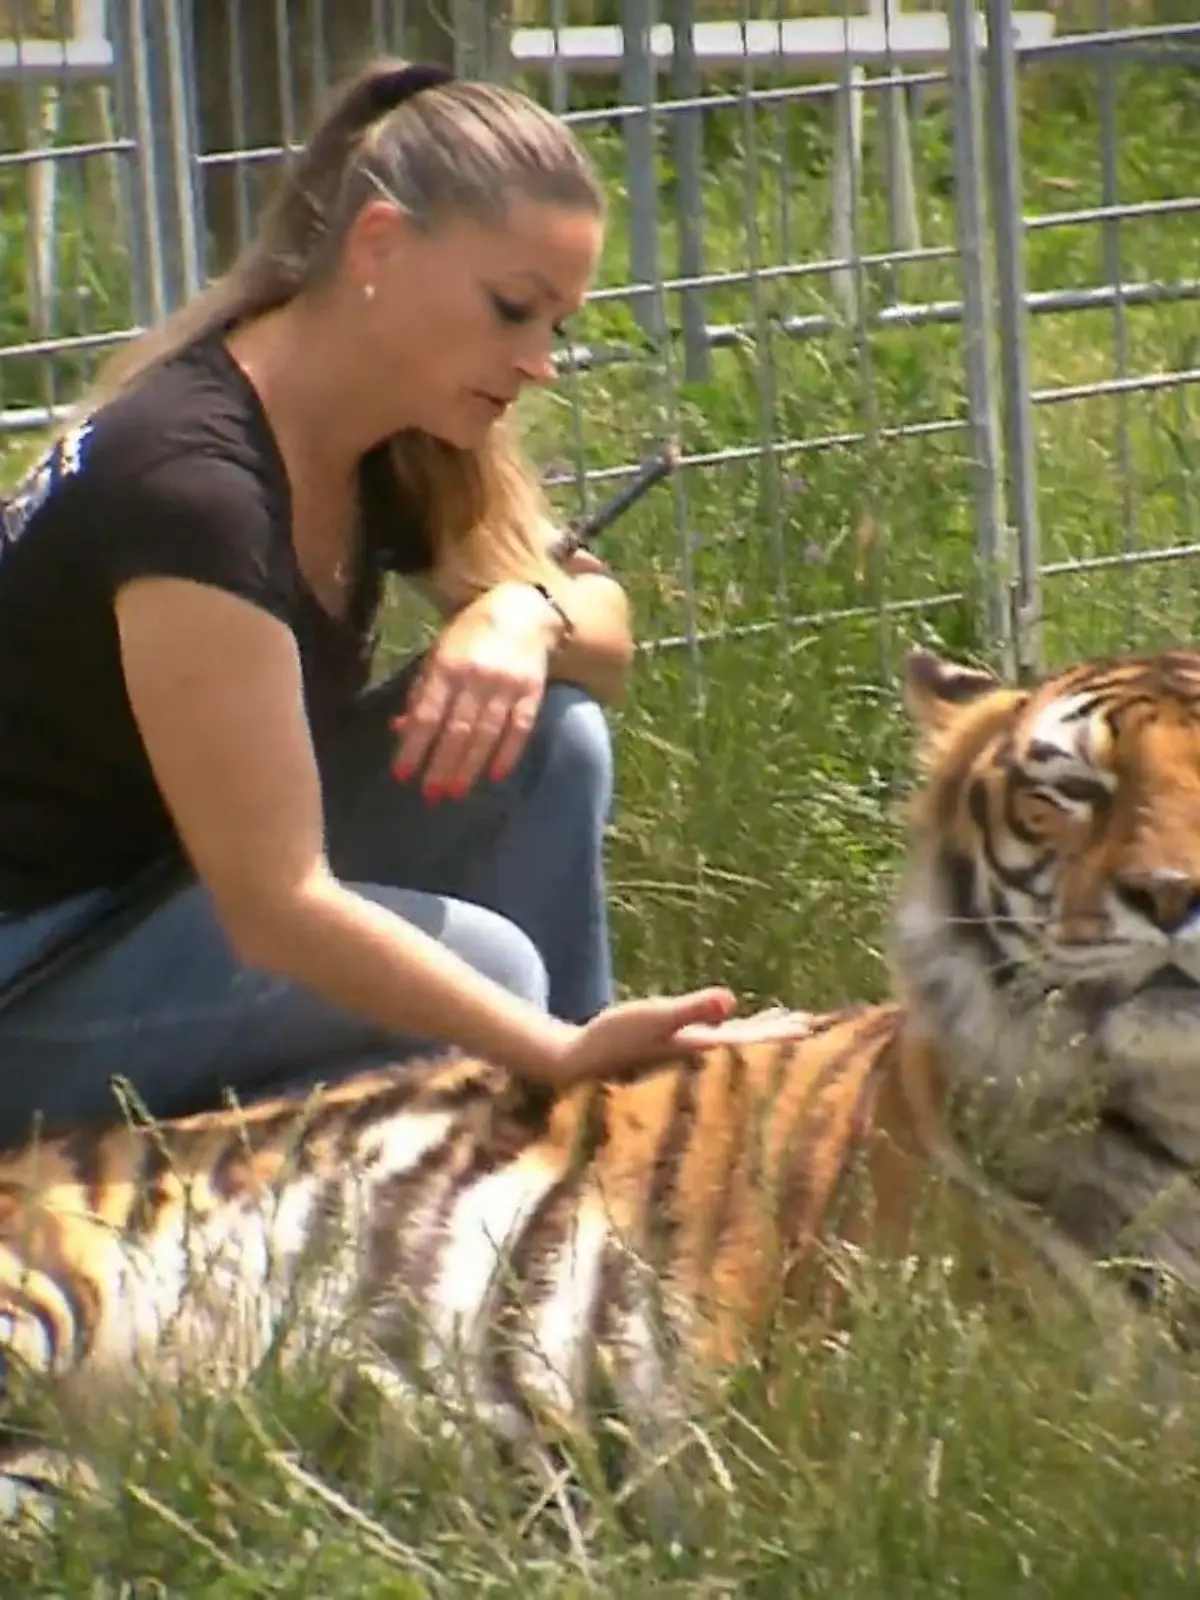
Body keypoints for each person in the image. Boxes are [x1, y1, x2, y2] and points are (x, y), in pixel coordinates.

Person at [0, 58, 809, 1147]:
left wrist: (521, 614)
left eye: (556, 326)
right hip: (36, 967)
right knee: (495, 976)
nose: (538, 364)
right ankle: (542, 1126)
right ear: (378, 245)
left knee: (550, 737)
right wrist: (547, 1040)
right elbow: (275, 905)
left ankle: (570, 1158)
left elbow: (604, 643)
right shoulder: (192, 489)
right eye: (512, 310)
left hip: (158, 891)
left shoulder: (390, 426)